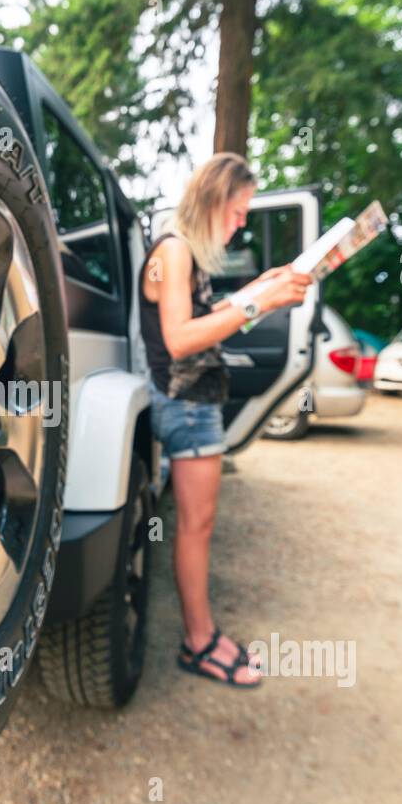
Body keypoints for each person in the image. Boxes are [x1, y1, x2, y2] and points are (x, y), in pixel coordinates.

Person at [139, 153, 312, 687]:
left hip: (194, 401)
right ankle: (199, 642)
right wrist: (260, 306)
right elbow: (179, 338)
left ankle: (202, 636)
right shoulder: (174, 250)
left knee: (197, 525)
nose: (241, 222)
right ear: (213, 199)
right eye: (238, 212)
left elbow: (204, 319)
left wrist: (259, 290)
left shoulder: (186, 254)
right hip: (186, 405)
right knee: (196, 527)